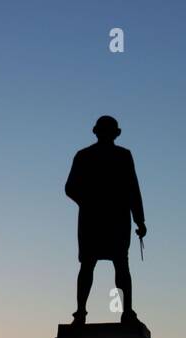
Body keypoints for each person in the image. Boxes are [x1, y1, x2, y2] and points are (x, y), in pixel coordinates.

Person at [64, 115, 146, 326]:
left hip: (109, 219)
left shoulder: (115, 156)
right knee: (94, 265)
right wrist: (139, 220)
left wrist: (139, 219)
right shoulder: (88, 156)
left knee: (111, 265)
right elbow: (71, 188)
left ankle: (121, 311)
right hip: (101, 219)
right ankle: (83, 312)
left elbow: (132, 189)